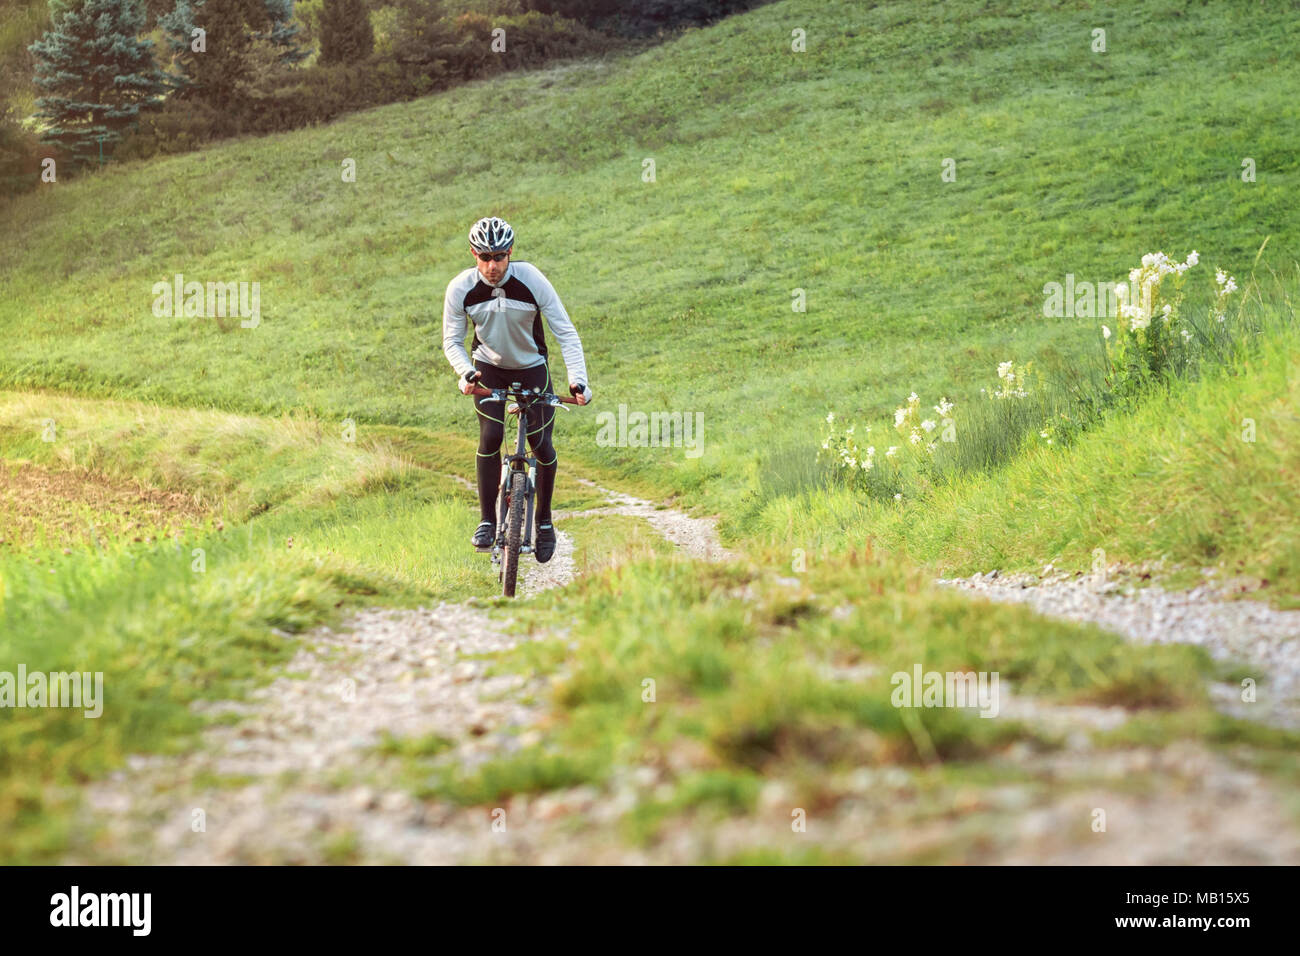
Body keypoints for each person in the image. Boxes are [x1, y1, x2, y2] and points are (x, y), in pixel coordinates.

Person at [442, 216, 592, 563]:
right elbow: (452, 340)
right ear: (472, 254)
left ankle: (543, 521)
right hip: (488, 369)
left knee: (541, 445)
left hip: (531, 367)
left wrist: (578, 380)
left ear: (510, 253)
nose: (491, 266)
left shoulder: (532, 280)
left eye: (498, 257)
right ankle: (486, 520)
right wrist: (466, 373)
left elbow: (565, 332)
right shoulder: (460, 288)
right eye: (483, 257)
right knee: (491, 437)